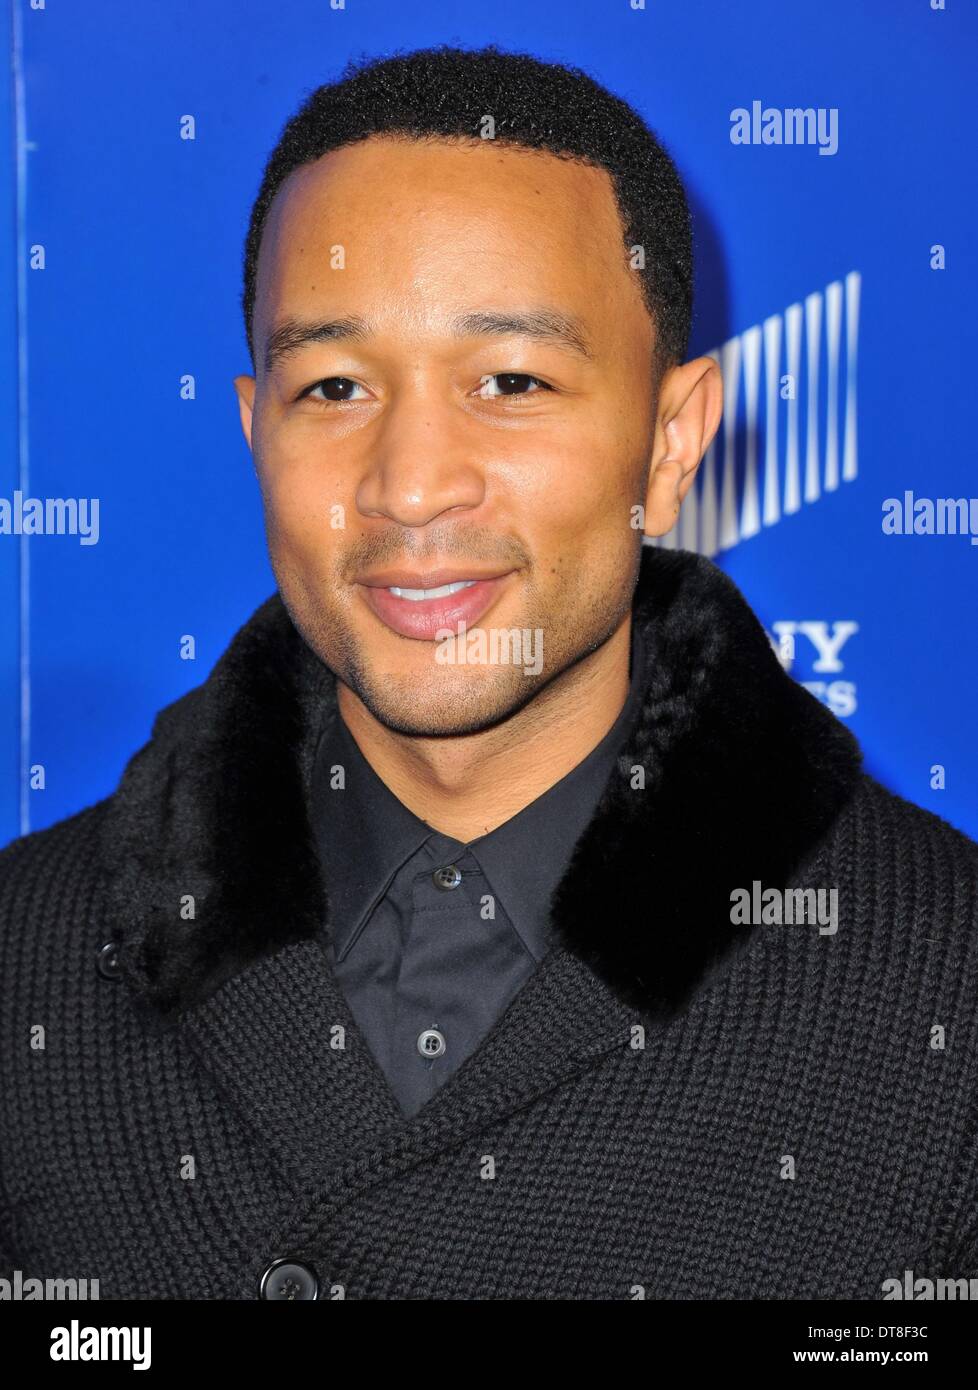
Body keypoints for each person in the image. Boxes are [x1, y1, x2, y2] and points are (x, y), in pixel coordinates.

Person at [2, 44, 976, 1302]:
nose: (410, 484)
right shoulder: (27, 952)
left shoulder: (940, 991)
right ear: (255, 430)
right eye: (335, 385)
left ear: (671, 442)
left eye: (512, 382)